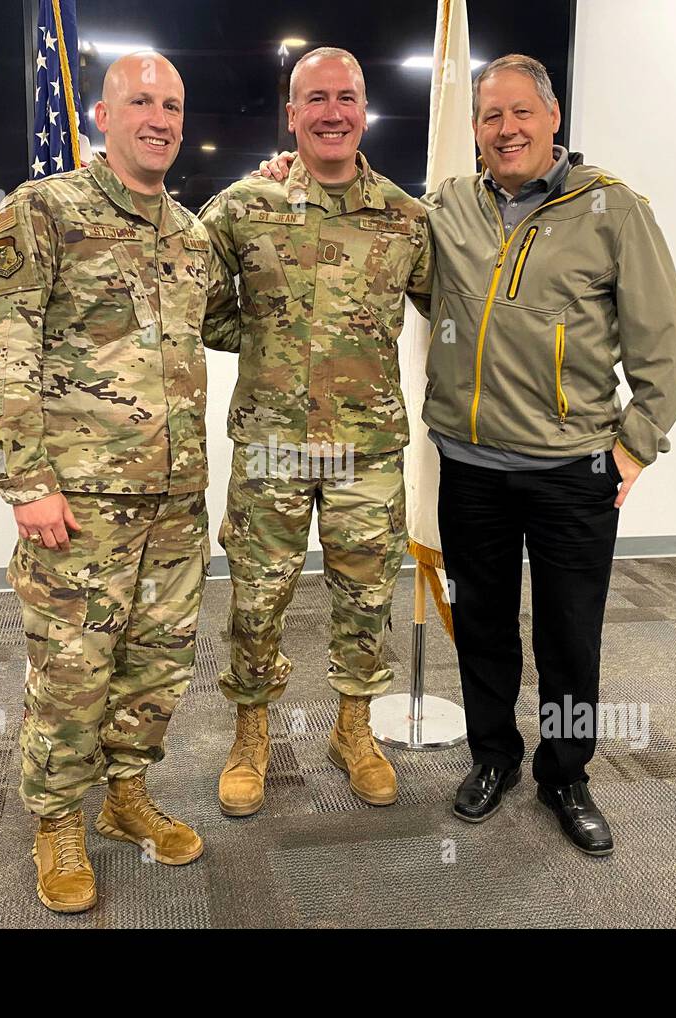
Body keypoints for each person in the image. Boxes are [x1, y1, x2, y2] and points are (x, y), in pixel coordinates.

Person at [258, 53, 676, 855]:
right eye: (491, 117)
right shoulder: (446, 208)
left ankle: (567, 775)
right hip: (470, 469)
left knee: (570, 635)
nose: (507, 129)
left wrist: (635, 449)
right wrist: (295, 174)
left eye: (522, 112)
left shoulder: (612, 210)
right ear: (475, 130)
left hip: (572, 469)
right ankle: (494, 757)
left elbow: (667, 343)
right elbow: (367, 222)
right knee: (483, 627)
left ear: (553, 118)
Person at [0, 51, 236, 912]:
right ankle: (54, 820)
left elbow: (234, 324)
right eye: (141, 102)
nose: (159, 118)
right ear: (103, 117)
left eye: (173, 105)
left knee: (156, 666)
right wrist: (25, 481)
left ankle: (125, 798)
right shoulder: (41, 212)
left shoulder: (190, 234)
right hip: (77, 505)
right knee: (73, 670)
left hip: (175, 498)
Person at [197, 47, 432, 817]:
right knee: (258, 597)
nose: (333, 112)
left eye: (347, 98)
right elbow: (193, 303)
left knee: (366, 596)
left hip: (366, 447)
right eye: (315, 99)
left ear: (365, 111)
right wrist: (268, 336)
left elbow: (456, 311)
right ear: (290, 115)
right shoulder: (241, 207)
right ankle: (250, 735)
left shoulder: (405, 217)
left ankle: (353, 731)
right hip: (272, 443)